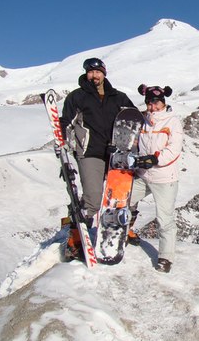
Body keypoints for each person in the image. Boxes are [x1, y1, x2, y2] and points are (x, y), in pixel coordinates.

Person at [59, 57, 135, 259]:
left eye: (98, 72)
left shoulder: (118, 97)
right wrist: (63, 142)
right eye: (91, 72)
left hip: (115, 155)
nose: (94, 76)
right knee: (92, 199)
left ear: (104, 73)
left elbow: (132, 121)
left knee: (120, 198)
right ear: (86, 74)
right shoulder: (77, 97)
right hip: (89, 152)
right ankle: (75, 239)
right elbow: (66, 122)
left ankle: (119, 233)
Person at [129, 84, 183, 273]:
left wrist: (154, 159)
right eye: (149, 103)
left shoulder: (172, 122)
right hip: (143, 175)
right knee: (123, 200)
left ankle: (165, 258)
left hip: (164, 178)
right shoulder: (143, 121)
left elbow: (174, 149)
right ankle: (124, 232)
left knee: (164, 219)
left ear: (163, 102)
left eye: (156, 103)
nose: (153, 107)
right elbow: (136, 144)